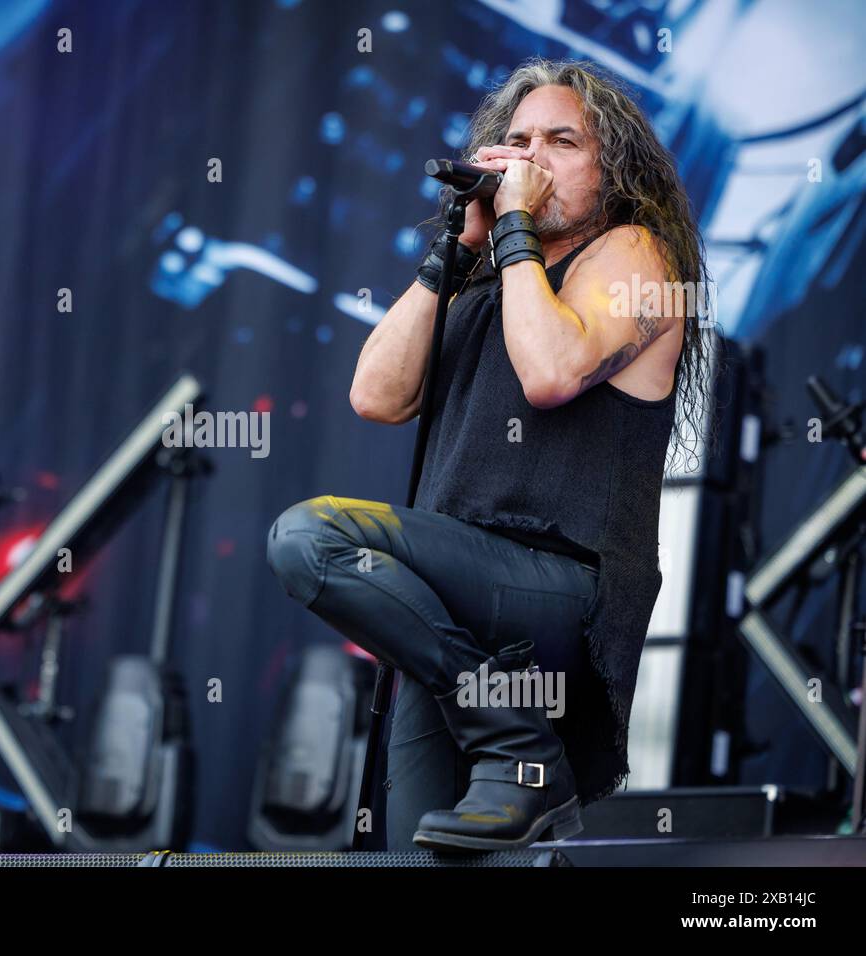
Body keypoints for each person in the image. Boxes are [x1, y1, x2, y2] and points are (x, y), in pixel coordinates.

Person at [267, 58, 712, 852]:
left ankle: (517, 745)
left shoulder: (634, 253)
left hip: (553, 587)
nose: (530, 157)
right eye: (517, 141)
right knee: (431, 851)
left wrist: (513, 232)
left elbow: (550, 373)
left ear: (614, 172)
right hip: (459, 613)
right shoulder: (495, 277)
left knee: (311, 537)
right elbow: (375, 395)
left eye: (562, 141)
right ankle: (513, 752)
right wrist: (457, 249)